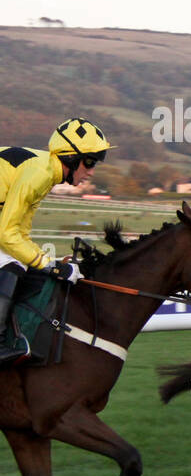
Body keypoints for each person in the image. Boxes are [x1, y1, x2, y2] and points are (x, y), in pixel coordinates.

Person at [0, 117, 110, 364]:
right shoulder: (39, 173)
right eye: (89, 162)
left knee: (22, 263)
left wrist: (47, 262)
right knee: (10, 263)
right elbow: (6, 234)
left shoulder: (46, 173)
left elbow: (20, 231)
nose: (91, 171)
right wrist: (49, 265)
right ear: (70, 157)